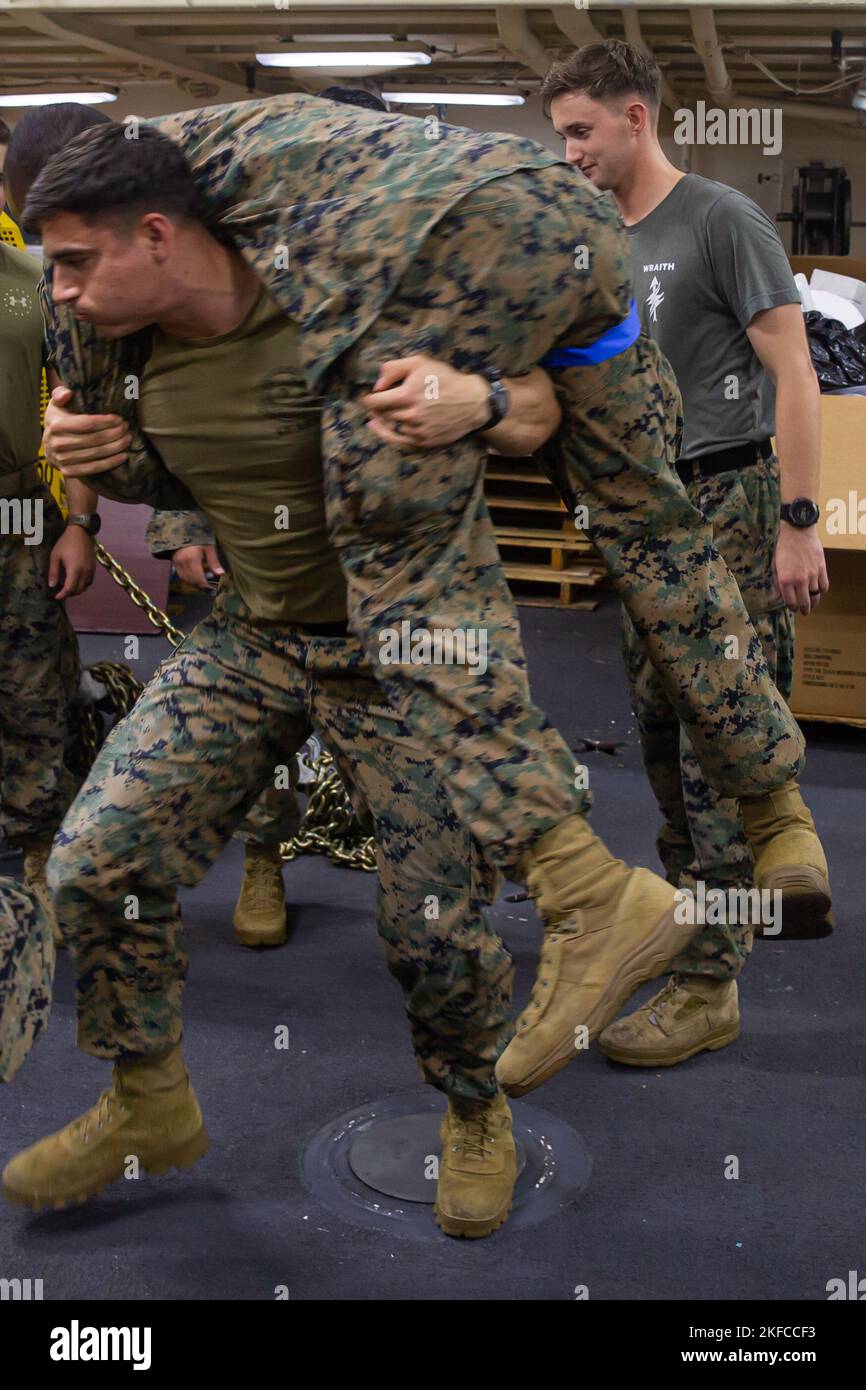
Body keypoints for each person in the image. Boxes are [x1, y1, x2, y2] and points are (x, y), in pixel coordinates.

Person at [6, 99, 827, 1105]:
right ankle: (778, 809)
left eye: (72, 258)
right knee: (650, 525)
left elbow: (491, 412)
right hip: (583, 243)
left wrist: (455, 398)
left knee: (402, 576)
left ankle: (583, 893)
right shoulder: (229, 158)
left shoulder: (275, 235)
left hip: (464, 253)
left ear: (145, 222)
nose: (64, 286)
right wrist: (103, 449)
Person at [538, 39, 831, 1069]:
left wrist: (799, 519)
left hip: (729, 501)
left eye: (580, 129)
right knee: (660, 741)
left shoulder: (718, 217)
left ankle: (711, 984)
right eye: (558, 133)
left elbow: (792, 369)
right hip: (639, 513)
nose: (567, 149)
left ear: (633, 117)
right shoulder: (587, 237)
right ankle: (695, 938)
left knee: (720, 748)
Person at [0, 119, 99, 951]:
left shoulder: (32, 279)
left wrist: (79, 521)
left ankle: (40, 857)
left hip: (16, 514)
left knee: (34, 695)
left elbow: (79, 399)